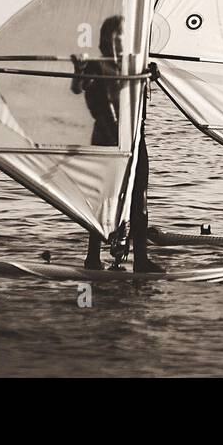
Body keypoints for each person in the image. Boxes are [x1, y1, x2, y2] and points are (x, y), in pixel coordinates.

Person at [71, 16, 162, 272]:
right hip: (105, 139)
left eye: (124, 35)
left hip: (134, 138)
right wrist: (79, 73)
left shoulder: (137, 64)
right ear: (105, 39)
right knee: (102, 199)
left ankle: (141, 259)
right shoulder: (96, 65)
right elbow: (78, 88)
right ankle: (92, 257)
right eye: (115, 35)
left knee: (139, 199)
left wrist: (151, 74)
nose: (120, 40)